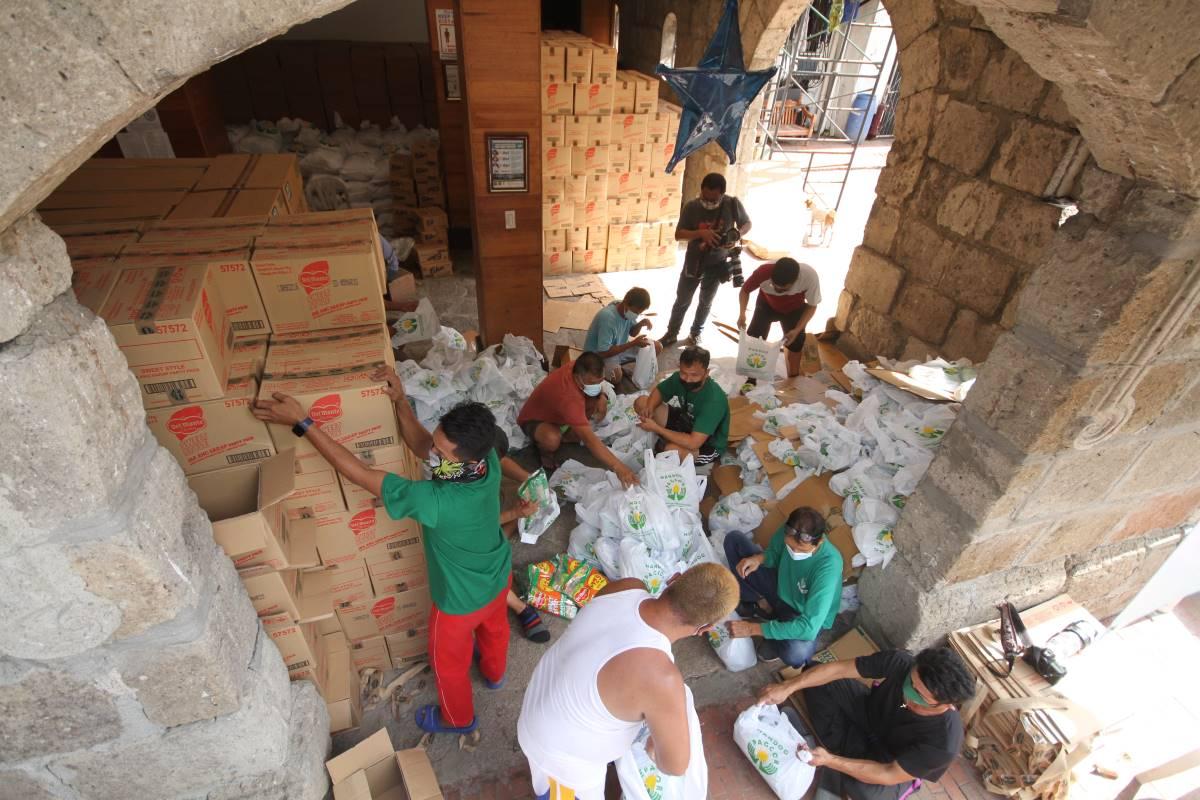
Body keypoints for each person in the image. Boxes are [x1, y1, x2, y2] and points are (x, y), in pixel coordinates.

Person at [252, 371, 533, 736]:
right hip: (497, 576)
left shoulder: (433, 501)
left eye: (441, 451)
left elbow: (359, 472)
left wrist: (303, 423)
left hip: (458, 603)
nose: (432, 453)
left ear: (462, 459)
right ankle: (495, 675)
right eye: (437, 443)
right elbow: (420, 445)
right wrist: (400, 401)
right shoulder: (487, 463)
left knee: (448, 666)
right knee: (495, 631)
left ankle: (459, 719)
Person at [518, 563, 739, 800]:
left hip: (544, 698)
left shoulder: (627, 587)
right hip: (559, 761)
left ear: (674, 578)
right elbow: (675, 766)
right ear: (705, 628)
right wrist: (658, 740)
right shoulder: (661, 678)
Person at [757, 646, 976, 800]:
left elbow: (889, 773)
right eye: (910, 683)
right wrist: (788, 687)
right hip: (867, 713)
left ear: (946, 705)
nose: (909, 695)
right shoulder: (901, 663)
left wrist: (831, 761)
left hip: (890, 758)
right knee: (813, 675)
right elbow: (840, 669)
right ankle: (841, 754)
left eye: (920, 697)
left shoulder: (943, 744)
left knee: (864, 791)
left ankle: (836, 756)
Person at [723, 507, 843, 666]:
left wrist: (753, 629)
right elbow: (774, 553)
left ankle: (775, 632)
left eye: (800, 549)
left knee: (797, 654)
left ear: (819, 542)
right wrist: (759, 559)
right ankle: (759, 603)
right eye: (790, 546)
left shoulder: (829, 565)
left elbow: (808, 627)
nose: (794, 552)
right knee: (734, 540)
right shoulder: (789, 530)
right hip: (781, 588)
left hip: (801, 613)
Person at [517, 352, 638, 487]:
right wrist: (618, 466)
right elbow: (589, 440)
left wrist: (602, 395)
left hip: (558, 414)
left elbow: (596, 389)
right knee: (552, 440)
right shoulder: (568, 398)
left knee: (595, 403)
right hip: (533, 419)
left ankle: (569, 431)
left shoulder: (578, 367)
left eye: (600, 381)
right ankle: (544, 451)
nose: (597, 386)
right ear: (578, 378)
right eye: (593, 383)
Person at [658, 172, 752, 347]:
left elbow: (747, 223)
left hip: (717, 264)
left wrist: (737, 235)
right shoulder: (692, 207)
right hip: (694, 263)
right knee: (683, 300)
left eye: (713, 200)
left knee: (706, 301)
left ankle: (696, 333)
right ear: (701, 191)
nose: (708, 203)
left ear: (722, 194)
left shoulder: (731, 204)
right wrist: (700, 233)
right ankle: (671, 333)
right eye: (705, 198)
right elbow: (679, 234)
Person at [633, 346, 729, 467]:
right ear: (680, 368)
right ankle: (670, 437)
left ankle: (667, 439)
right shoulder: (679, 378)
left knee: (671, 451)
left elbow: (694, 443)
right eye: (684, 373)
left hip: (707, 442)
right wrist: (650, 408)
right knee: (641, 403)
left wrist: (656, 428)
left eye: (694, 375)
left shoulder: (714, 400)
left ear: (706, 373)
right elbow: (660, 391)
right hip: (687, 421)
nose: (688, 380)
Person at [737, 257, 822, 378]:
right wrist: (742, 314)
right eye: (775, 286)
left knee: (796, 342)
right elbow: (745, 290)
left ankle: (793, 378)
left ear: (796, 280)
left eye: (784, 289)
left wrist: (797, 330)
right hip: (766, 304)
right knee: (755, 340)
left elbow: (812, 305)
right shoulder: (763, 272)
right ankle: (751, 379)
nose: (778, 290)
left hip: (794, 309)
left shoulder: (809, 277)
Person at [583, 287, 661, 389]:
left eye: (639, 313)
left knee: (656, 347)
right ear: (625, 303)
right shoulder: (608, 318)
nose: (636, 315)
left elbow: (632, 333)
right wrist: (633, 344)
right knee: (616, 377)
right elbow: (603, 352)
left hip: (618, 348)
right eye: (635, 312)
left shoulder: (626, 311)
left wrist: (641, 324)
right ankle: (603, 369)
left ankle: (617, 365)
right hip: (598, 355)